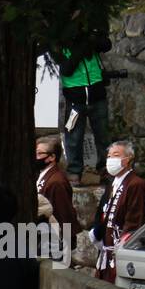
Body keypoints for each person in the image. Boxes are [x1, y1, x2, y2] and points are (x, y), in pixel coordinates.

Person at [90, 140, 145, 284]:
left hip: (120, 251)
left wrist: (122, 247)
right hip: (107, 250)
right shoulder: (114, 183)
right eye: (109, 156)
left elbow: (135, 222)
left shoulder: (136, 184)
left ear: (128, 159)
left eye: (116, 155)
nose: (111, 160)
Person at [52, 37, 112, 183]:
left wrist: (90, 41)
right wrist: (79, 51)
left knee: (103, 135)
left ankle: (106, 169)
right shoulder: (59, 45)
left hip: (97, 95)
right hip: (74, 100)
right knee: (73, 136)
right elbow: (66, 69)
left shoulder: (90, 38)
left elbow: (106, 44)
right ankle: (74, 171)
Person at [35, 136, 79, 263]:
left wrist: (66, 241)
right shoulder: (45, 176)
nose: (35, 157)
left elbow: (63, 213)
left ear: (52, 157)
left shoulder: (56, 182)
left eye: (39, 153)